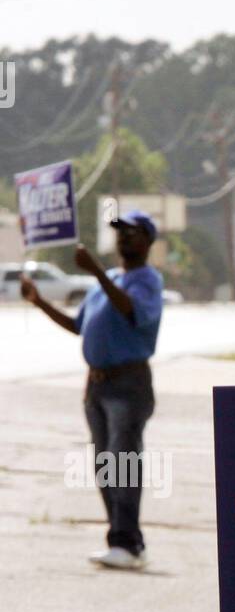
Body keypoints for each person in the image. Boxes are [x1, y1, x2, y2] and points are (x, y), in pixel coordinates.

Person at [21, 210, 163, 570]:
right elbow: (78, 324)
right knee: (104, 466)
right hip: (97, 384)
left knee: (124, 463)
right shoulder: (111, 279)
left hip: (128, 384)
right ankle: (122, 538)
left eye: (132, 233)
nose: (124, 238)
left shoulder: (147, 280)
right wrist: (38, 301)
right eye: (119, 232)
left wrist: (96, 271)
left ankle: (127, 542)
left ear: (147, 241)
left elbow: (132, 311)